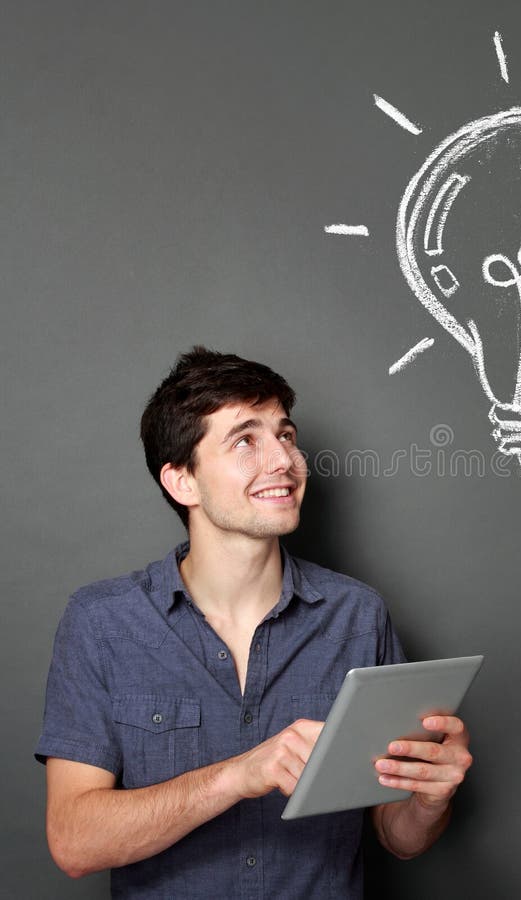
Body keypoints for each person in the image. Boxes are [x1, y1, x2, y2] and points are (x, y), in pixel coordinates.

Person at [35, 346, 473, 898]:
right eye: (245, 440)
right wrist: (238, 775)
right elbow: (74, 843)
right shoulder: (102, 623)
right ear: (182, 482)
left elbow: (398, 837)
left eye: (285, 435)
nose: (283, 460)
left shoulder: (358, 616)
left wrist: (430, 799)